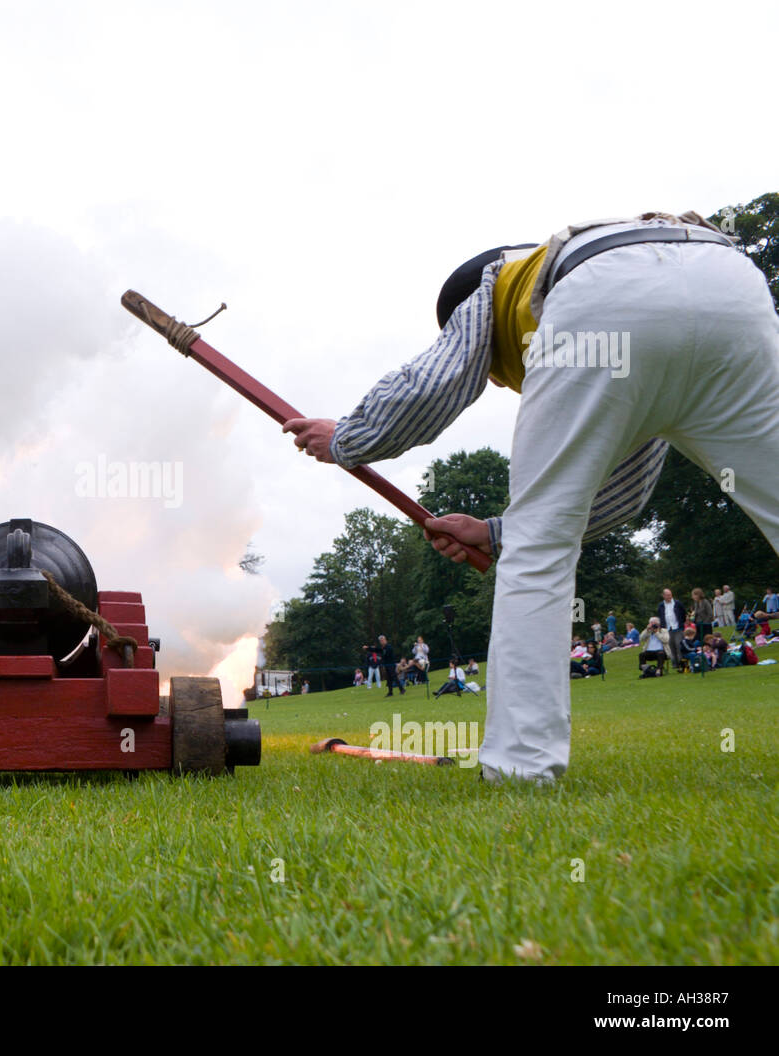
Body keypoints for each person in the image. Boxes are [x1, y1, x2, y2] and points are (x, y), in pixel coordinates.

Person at [283, 211, 779, 782]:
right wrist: (497, 534)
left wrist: (347, 437)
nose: (499, 379)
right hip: (733, 285)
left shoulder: (494, 280)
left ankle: (521, 767)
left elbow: (435, 384)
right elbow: (624, 492)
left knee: (538, 556)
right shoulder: (569, 275)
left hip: (603, 294)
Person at [657, 589, 686, 668]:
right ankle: (675, 664)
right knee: (671, 647)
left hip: (678, 628)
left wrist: (681, 623)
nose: (669, 596)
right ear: (663, 596)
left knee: (678, 645)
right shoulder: (661, 605)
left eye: (670, 594)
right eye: (667, 595)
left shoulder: (677, 603)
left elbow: (683, 613)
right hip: (667, 629)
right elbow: (660, 615)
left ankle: (681, 662)